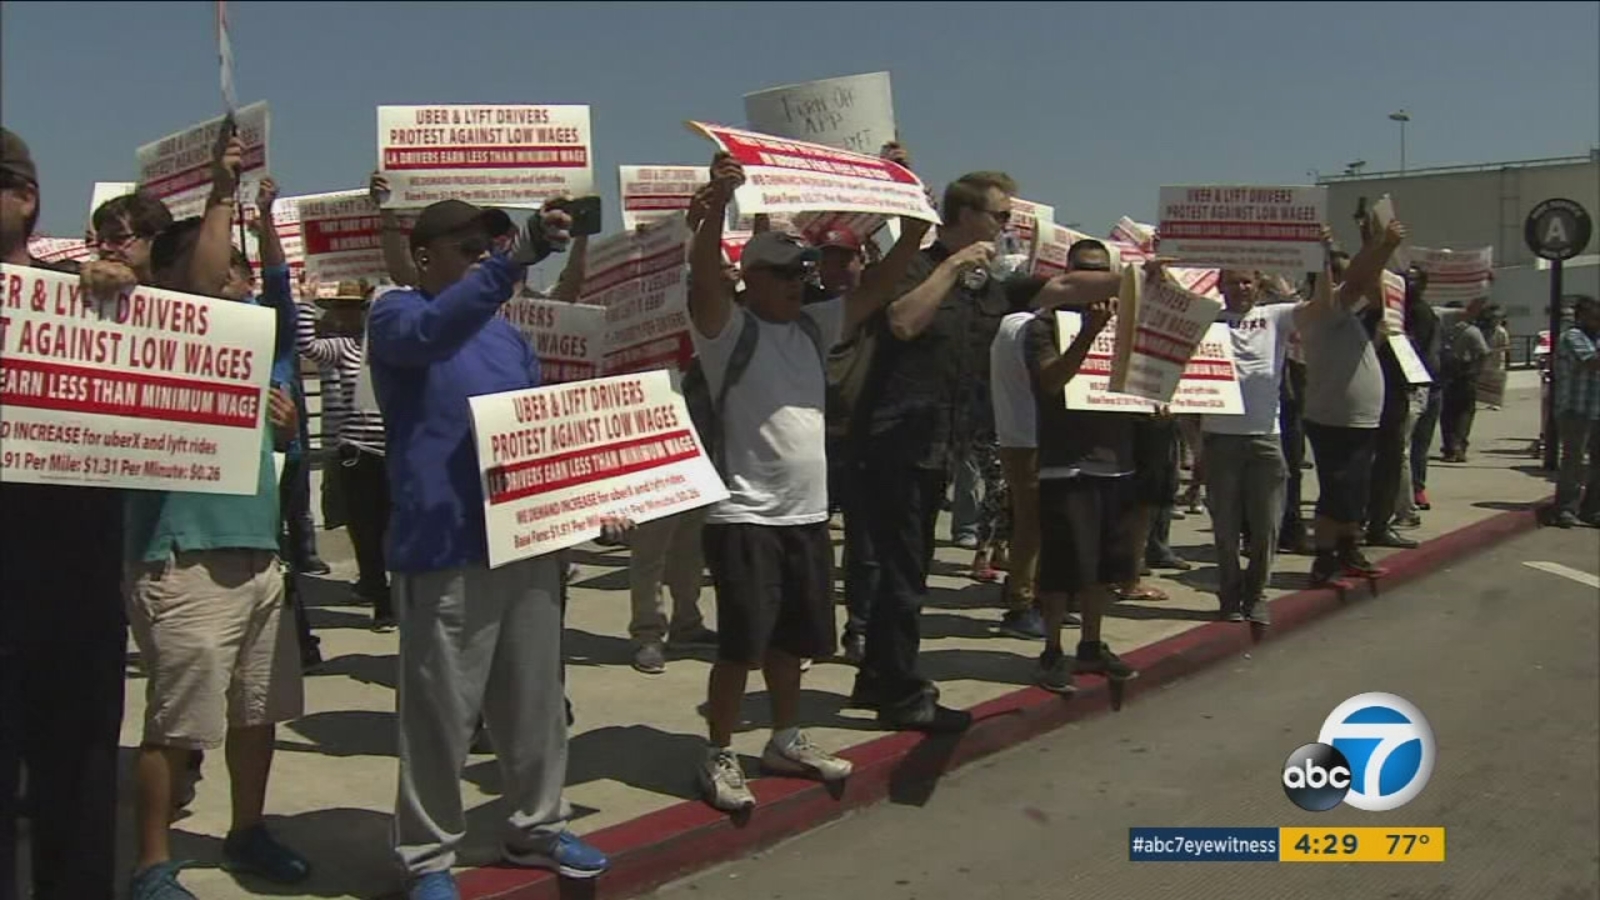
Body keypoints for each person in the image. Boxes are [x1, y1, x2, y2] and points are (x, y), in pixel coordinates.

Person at [366, 197, 614, 898]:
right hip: (443, 550)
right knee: (441, 717)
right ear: (423, 257)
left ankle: (536, 827)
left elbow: (541, 442)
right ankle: (427, 858)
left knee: (535, 704)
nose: (483, 257)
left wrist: (594, 502)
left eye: (489, 247)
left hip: (524, 549)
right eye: (469, 247)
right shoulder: (395, 314)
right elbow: (435, 334)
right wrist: (510, 263)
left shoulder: (512, 342)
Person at [687, 152, 930, 811]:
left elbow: (877, 288)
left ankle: (784, 738)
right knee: (742, 644)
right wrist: (712, 214)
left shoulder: (811, 328)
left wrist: (909, 220)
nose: (798, 282)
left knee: (796, 639)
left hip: (805, 514)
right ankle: (718, 753)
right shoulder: (725, 331)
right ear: (752, 278)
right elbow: (704, 280)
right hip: (743, 515)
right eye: (783, 272)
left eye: (802, 271)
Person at [119, 139, 311, 900]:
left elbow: (278, 294)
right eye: (216, 264)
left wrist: (288, 427)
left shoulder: (259, 353)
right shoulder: (153, 340)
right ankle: (152, 865)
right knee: (177, 724)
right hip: (182, 559)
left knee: (257, 714)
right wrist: (222, 190)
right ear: (166, 278)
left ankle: (247, 830)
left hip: (259, 558)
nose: (233, 279)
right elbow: (198, 284)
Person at [0, 127, 130, 900]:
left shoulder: (89, 299)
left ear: (24, 198)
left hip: (70, 595)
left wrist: (121, 298)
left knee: (76, 801)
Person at [1025, 240, 1148, 692]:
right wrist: (1088, 334)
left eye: (1101, 270)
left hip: (1115, 461)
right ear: (1068, 274)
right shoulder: (1042, 327)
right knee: (1061, 568)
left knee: (1104, 567)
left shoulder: (1126, 325)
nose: (1094, 280)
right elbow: (1051, 381)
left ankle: (1092, 645)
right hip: (1066, 464)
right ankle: (1052, 651)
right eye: (1084, 271)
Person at [1200, 265, 1314, 622]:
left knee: (1267, 526)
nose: (1242, 287)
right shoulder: (1207, 321)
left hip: (1265, 436)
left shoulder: (1276, 316)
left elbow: (1326, 305)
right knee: (1226, 527)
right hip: (1219, 437)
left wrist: (1321, 259)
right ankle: (1230, 596)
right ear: (1221, 286)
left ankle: (1256, 594)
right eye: (1234, 281)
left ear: (1259, 284)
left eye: (1248, 280)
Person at [1301, 216, 1408, 586]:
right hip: (1335, 420)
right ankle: (1324, 561)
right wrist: (1384, 246)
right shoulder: (1321, 313)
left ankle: (1348, 551)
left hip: (1359, 419)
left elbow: (1370, 283)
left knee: (1355, 492)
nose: (1348, 285)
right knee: (1337, 494)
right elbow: (1358, 279)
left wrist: (1373, 246)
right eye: (1337, 277)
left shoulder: (1351, 317)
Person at [297, 280, 395, 629]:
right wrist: (306, 303)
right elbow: (305, 345)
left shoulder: (386, 347)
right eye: (341, 308)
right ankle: (382, 602)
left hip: (393, 447)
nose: (348, 315)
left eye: (354, 307)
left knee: (395, 527)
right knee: (365, 528)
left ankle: (394, 592)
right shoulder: (339, 347)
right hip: (355, 448)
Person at [989, 298, 1047, 638]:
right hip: (1030, 435)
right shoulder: (1027, 328)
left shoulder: (1007, 325)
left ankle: (1026, 589)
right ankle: (1021, 602)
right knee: (1032, 523)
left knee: (1028, 520)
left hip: (1017, 433)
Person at [1552, 295, 1600, 528]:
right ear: (1582, 317)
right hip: (1575, 408)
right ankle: (1565, 509)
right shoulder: (1572, 336)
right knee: (1573, 460)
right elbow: (1590, 362)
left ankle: (1592, 509)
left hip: (1597, 409)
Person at [1438, 296, 1490, 462]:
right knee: (1465, 412)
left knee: (1446, 413)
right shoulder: (1471, 331)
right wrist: (1478, 371)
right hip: (1466, 375)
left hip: (1445, 374)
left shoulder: (1441, 330)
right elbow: (1483, 352)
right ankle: (1460, 445)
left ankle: (1449, 447)